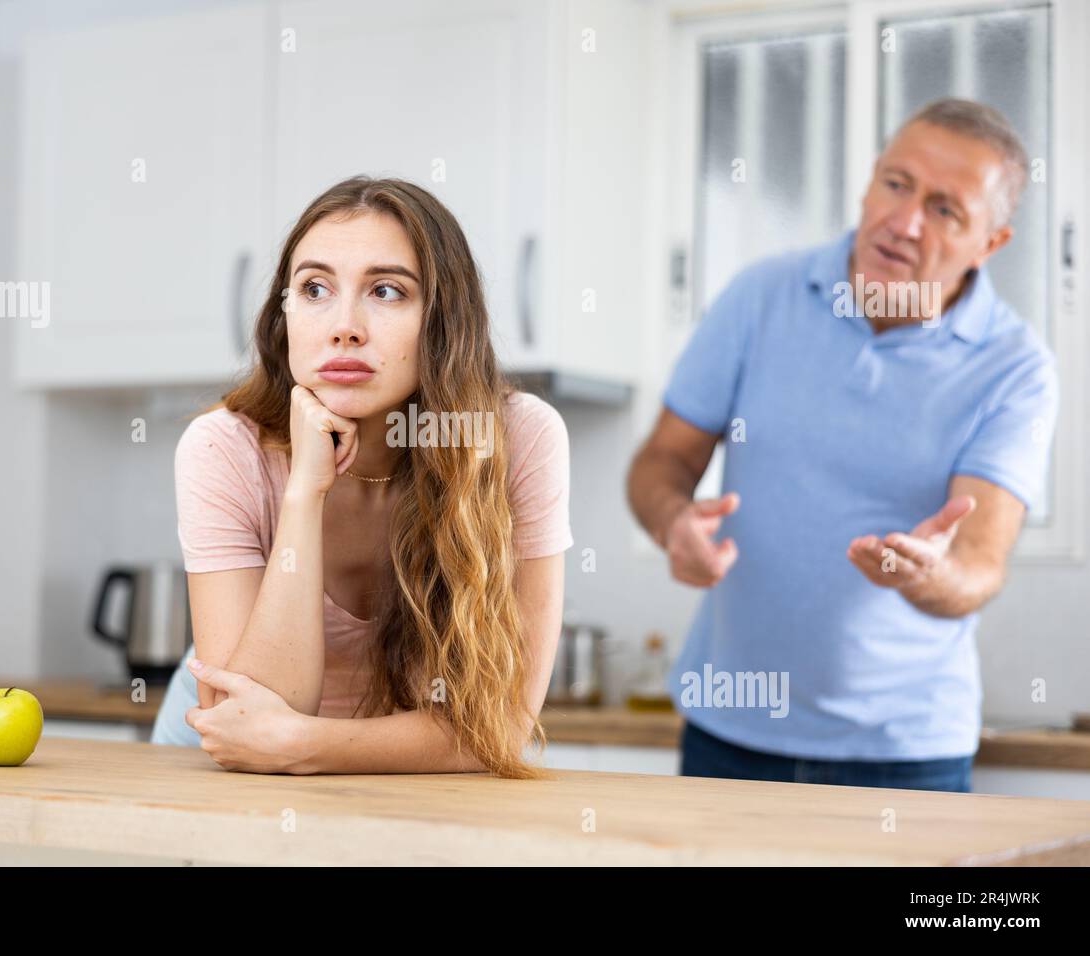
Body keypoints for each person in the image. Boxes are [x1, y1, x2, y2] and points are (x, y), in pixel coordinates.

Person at [627, 99, 1058, 792]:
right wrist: (673, 521)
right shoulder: (760, 297)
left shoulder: (1015, 366)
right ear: (869, 182)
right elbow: (663, 461)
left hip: (907, 754)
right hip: (728, 735)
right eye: (897, 183)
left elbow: (979, 566)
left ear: (991, 243)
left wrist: (924, 573)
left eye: (946, 209)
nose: (905, 221)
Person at [150, 176, 572, 778]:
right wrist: (303, 496)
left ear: (443, 321)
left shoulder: (519, 439)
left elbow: (501, 726)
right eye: (315, 288)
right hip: (227, 765)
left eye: (386, 291)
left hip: (393, 772)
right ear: (285, 315)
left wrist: (301, 743)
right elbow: (250, 724)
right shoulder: (225, 447)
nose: (344, 325)